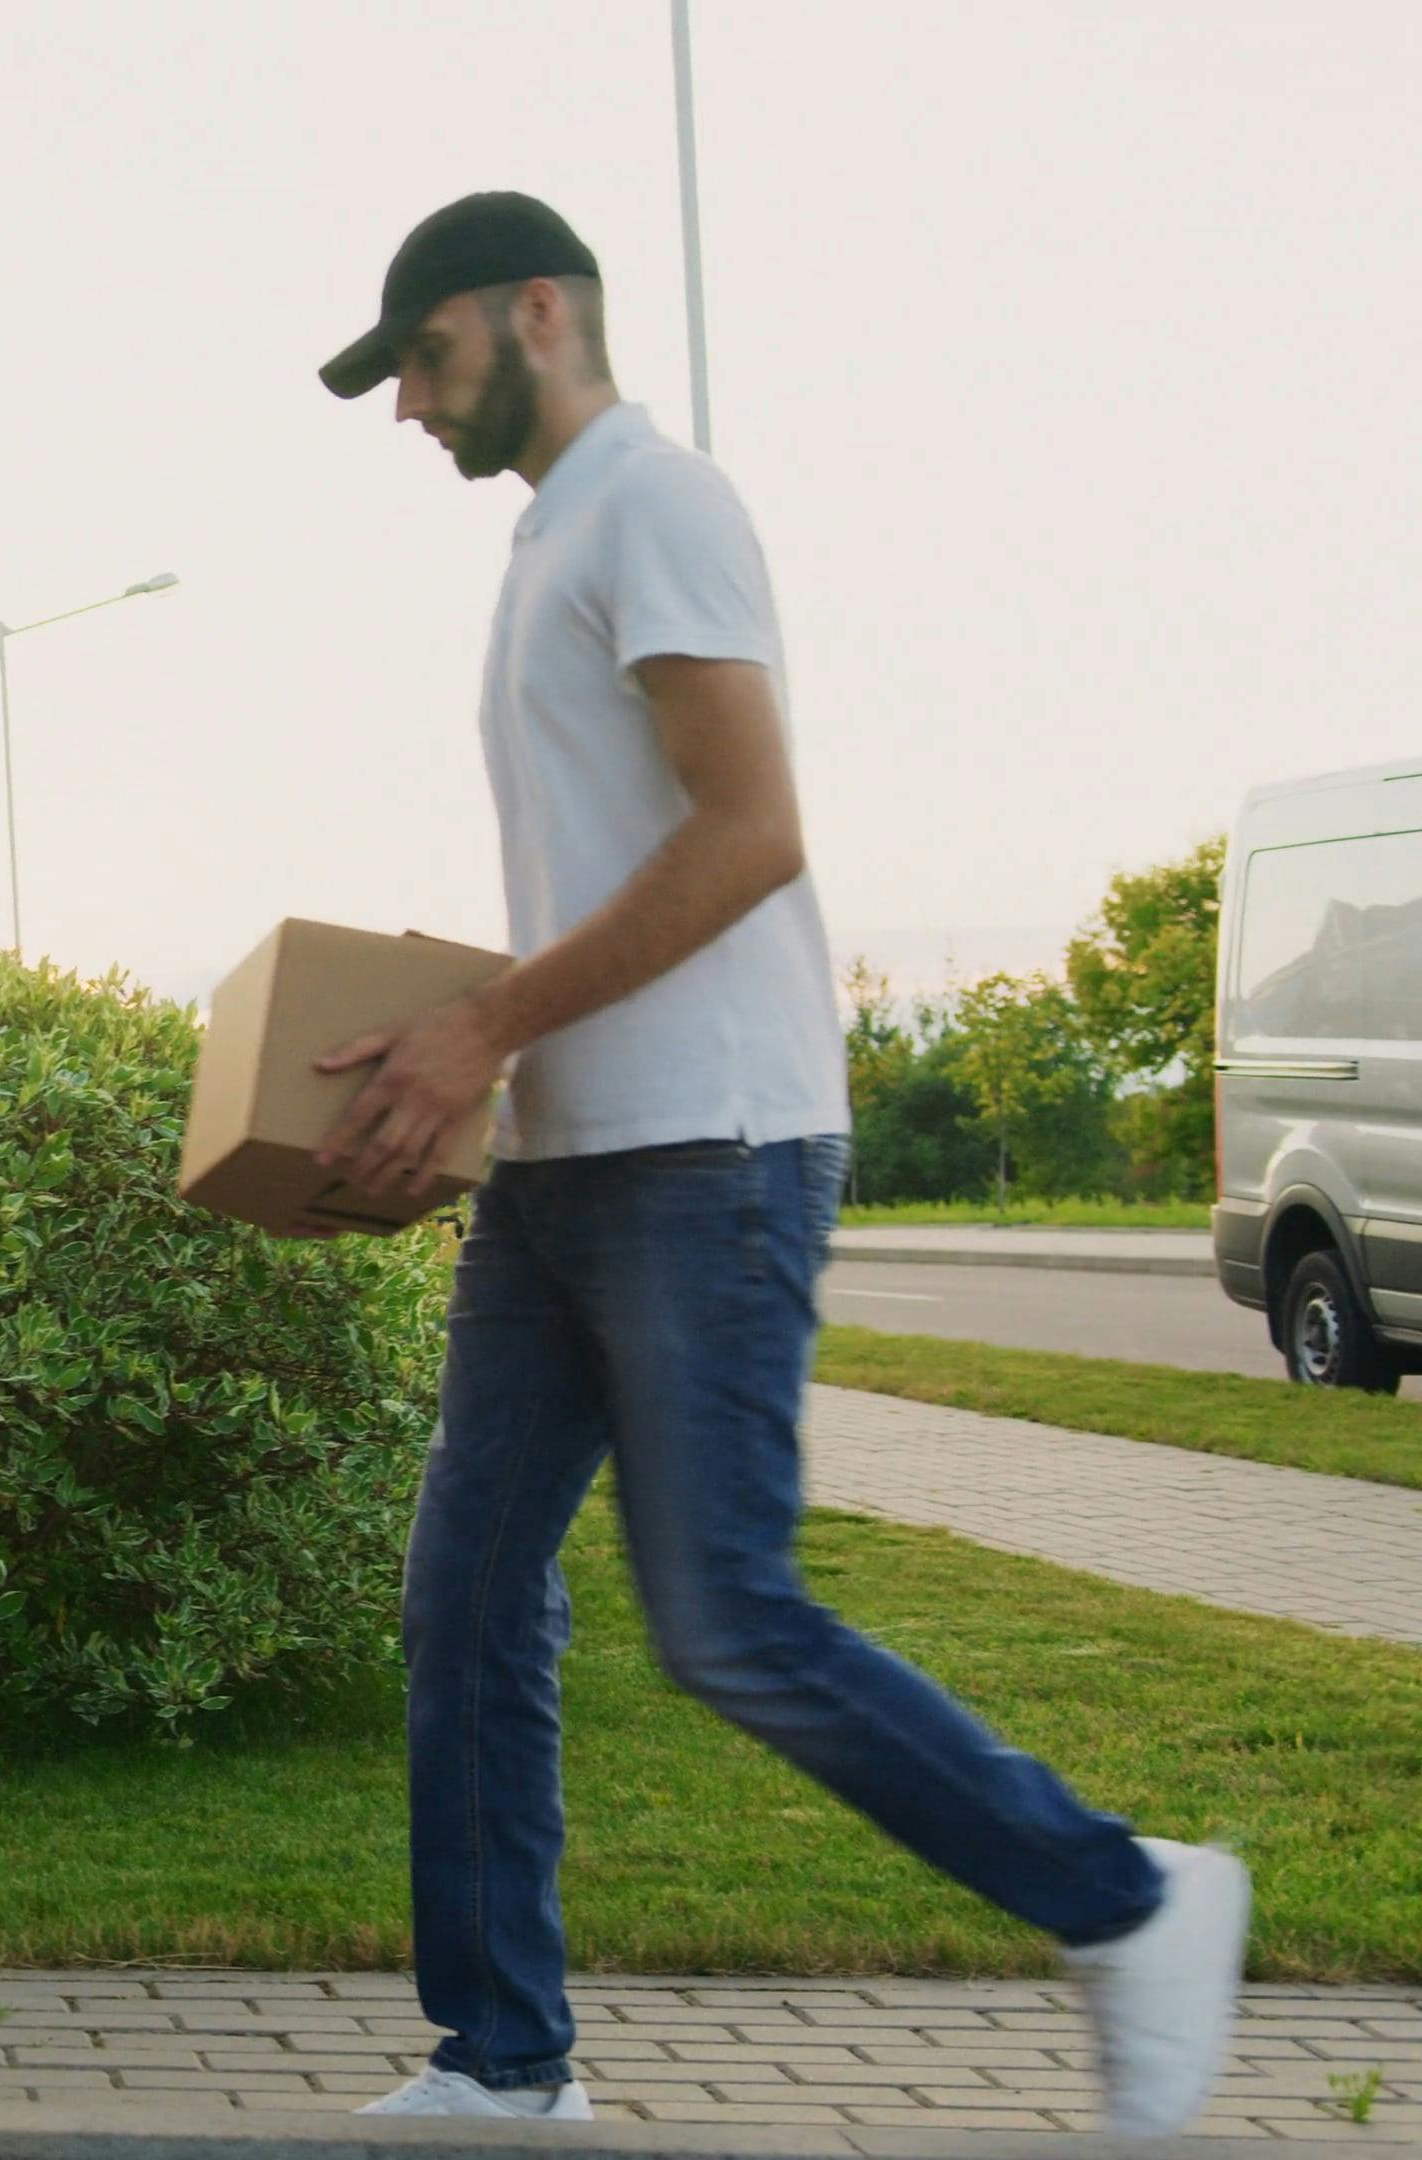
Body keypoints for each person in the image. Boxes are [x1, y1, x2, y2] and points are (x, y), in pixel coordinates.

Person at [303, 191, 1248, 2136]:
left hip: (709, 1155)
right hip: (566, 1162)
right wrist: (452, 1061)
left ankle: (1137, 1903)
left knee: (726, 1617)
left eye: (424, 353)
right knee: (464, 1597)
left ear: (534, 310)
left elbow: (750, 835)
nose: (404, 402)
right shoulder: (547, 539)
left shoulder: (658, 501)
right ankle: (505, 2066)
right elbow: (601, 869)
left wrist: (486, 1026)